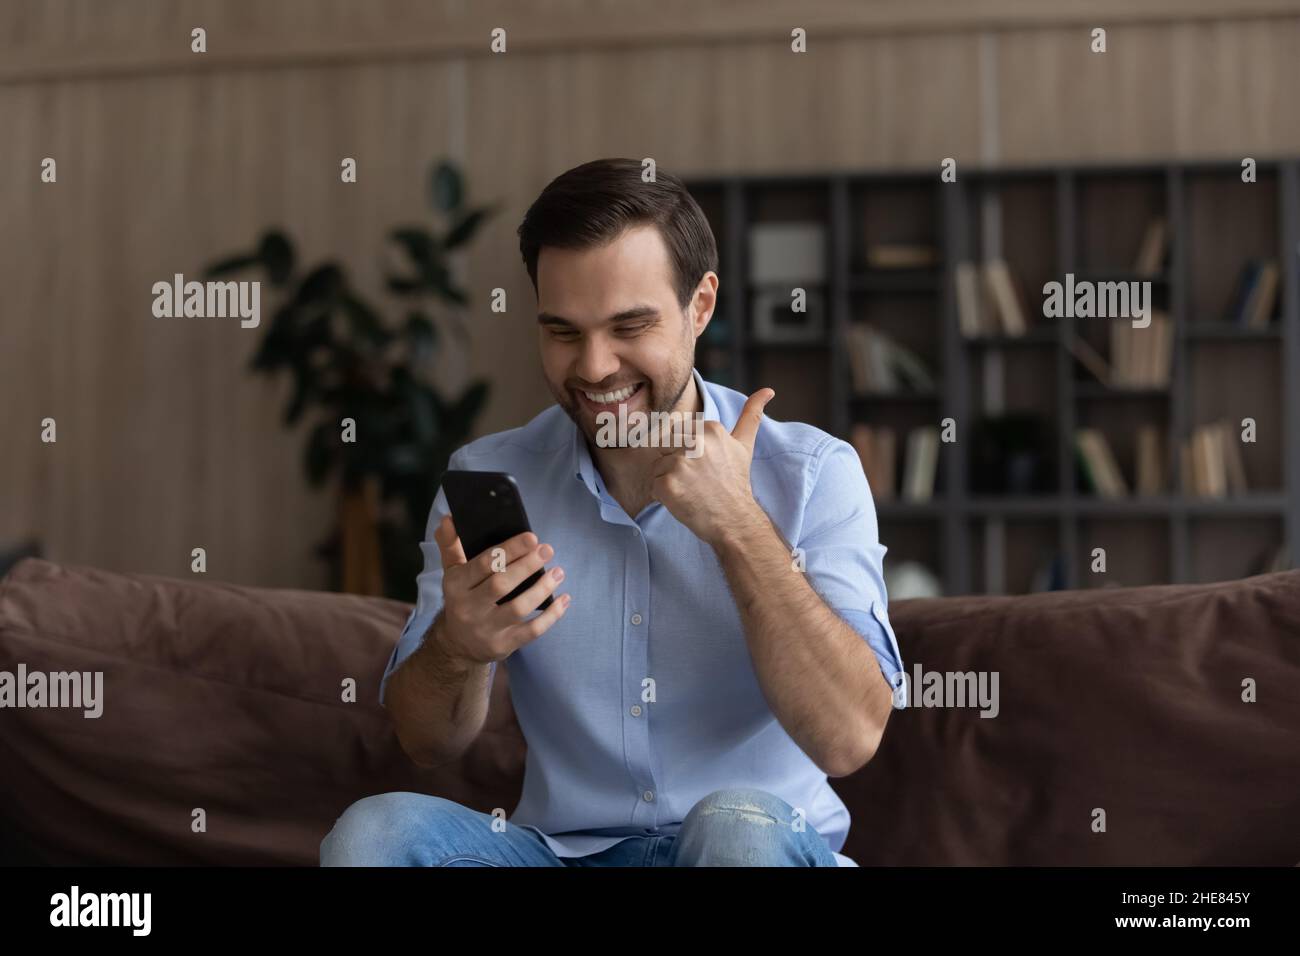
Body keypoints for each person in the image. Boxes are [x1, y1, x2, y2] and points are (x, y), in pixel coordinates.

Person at [320, 157, 905, 867]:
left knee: (734, 828)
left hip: (745, 849)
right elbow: (425, 743)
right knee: (374, 836)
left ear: (700, 306)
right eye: (564, 332)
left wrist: (738, 527)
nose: (595, 367)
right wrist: (460, 646)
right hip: (560, 855)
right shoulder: (487, 478)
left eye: (630, 326)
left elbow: (848, 739)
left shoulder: (814, 474)